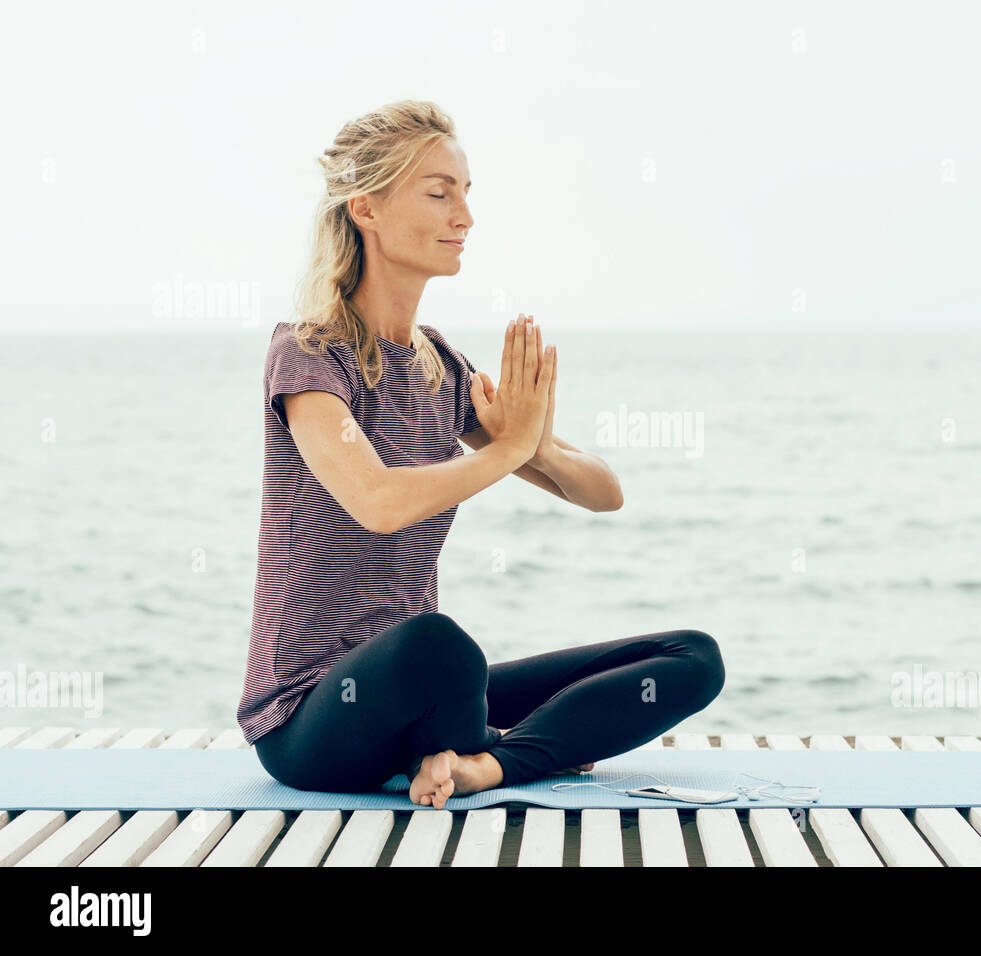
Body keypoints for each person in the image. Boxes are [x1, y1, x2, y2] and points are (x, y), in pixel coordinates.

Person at [236, 100, 725, 807]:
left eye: (466, 194)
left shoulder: (441, 366)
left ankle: (483, 767)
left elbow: (603, 492)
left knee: (689, 659)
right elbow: (377, 502)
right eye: (439, 193)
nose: (464, 216)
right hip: (313, 718)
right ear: (366, 208)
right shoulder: (309, 353)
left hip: (430, 697)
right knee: (436, 648)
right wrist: (507, 452)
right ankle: (496, 744)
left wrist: (537, 446)